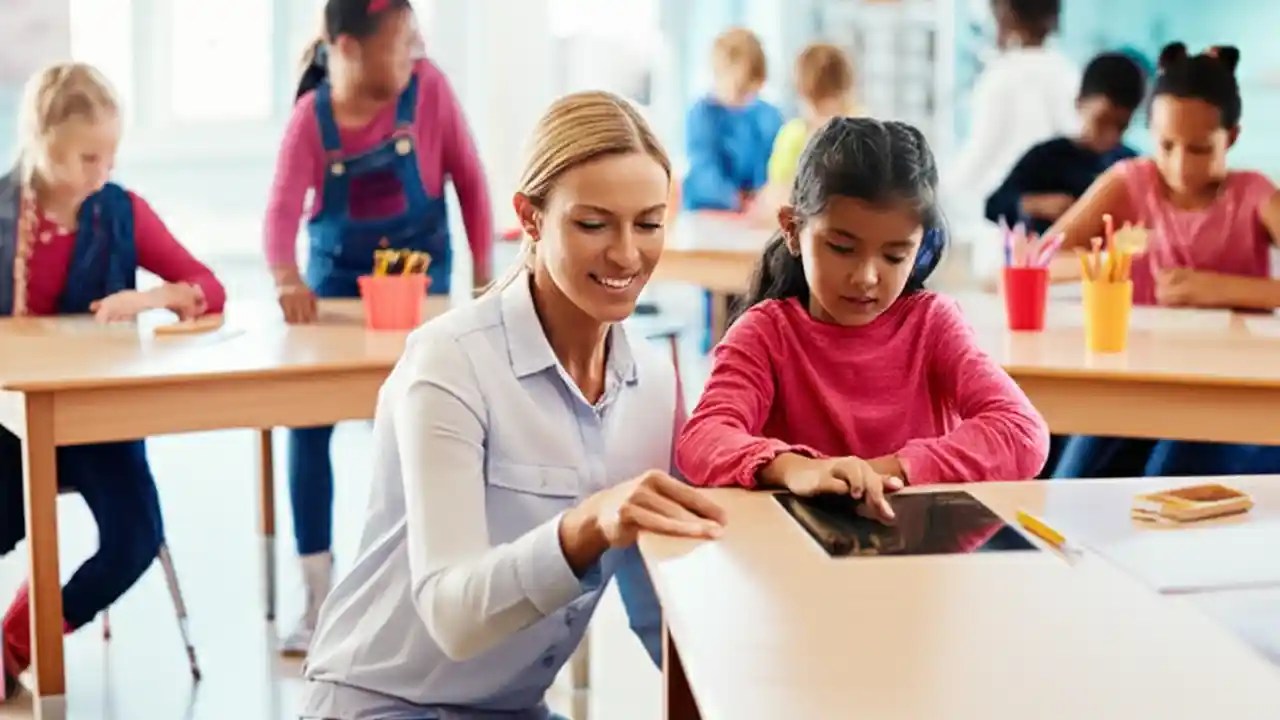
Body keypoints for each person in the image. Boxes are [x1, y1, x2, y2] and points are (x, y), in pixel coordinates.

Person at [299, 90, 726, 720]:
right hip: (380, 704)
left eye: (648, 222)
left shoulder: (655, 385)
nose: (627, 254)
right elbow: (452, 616)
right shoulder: (450, 362)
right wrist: (589, 524)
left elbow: (657, 610)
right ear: (529, 217)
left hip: (512, 709)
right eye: (593, 224)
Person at [263, 0, 493, 654]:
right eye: (399, 44)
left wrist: (483, 277)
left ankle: (435, 582)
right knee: (306, 423)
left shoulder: (432, 90)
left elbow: (471, 183)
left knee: (425, 425)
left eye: (415, 41)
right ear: (348, 49)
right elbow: (280, 212)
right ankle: (315, 594)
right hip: (336, 291)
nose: (412, 55)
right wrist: (285, 276)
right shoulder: (312, 118)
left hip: (422, 288)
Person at [676, 117, 1049, 518]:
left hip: (922, 560)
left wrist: (884, 471)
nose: (867, 277)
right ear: (791, 229)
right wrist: (797, 469)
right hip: (798, 560)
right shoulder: (766, 333)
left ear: (921, 245)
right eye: (841, 247)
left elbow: (1023, 434)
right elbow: (702, 441)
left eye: (895, 255)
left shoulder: (933, 324)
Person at [0, 63, 225, 700]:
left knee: (134, 539)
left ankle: (16, 642)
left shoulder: (121, 211)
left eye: (111, 156)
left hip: (97, 419)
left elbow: (210, 287)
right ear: (41, 141)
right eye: (87, 157)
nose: (102, 172)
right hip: (9, 420)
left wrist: (150, 297)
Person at [1047, 43, 1280, 479]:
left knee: (1167, 478)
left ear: (1231, 138)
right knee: (1070, 487)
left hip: (1227, 388)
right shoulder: (1130, 182)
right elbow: (1034, 262)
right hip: (1133, 383)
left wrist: (1218, 289)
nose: (1180, 165)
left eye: (1199, 149)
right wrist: (1108, 261)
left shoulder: (1253, 194)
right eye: (1166, 145)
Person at [985, 51, 1146, 235]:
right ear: (1079, 103)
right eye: (1101, 121)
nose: (1110, 136)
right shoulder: (1047, 157)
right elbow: (994, 206)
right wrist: (1037, 204)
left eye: (1121, 126)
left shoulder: (1130, 164)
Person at [945, 0, 1079, 218]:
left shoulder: (1002, 76)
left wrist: (934, 191)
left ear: (1005, 14)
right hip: (1055, 218)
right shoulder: (1066, 72)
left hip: (1005, 219)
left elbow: (980, 155)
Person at [681, 27, 783, 212]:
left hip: (754, 215)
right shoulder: (702, 115)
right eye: (740, 88)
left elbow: (773, 169)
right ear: (718, 74)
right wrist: (735, 200)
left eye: (752, 90)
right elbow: (704, 171)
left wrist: (765, 197)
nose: (746, 98)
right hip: (707, 211)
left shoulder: (768, 116)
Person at [758, 42, 861, 217]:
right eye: (816, 107)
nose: (824, 119)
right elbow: (774, 193)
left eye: (831, 105)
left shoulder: (863, 134)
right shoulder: (794, 134)